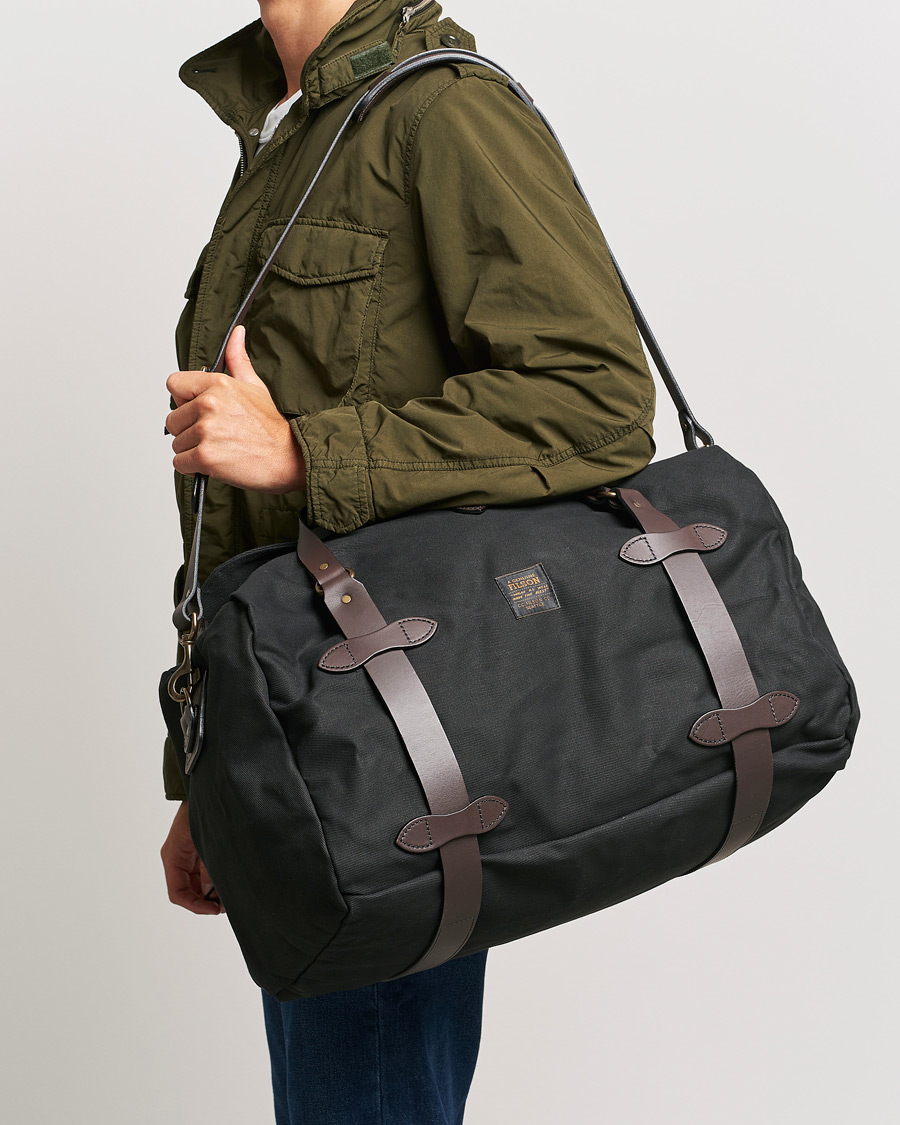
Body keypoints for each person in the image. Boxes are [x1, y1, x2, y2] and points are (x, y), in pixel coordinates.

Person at [159, 1, 657, 1120]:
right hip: (304, 750)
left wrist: (304, 450)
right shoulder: (292, 130)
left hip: (397, 760)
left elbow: (599, 401)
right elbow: (238, 532)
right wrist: (213, 772)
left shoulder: (442, 109)